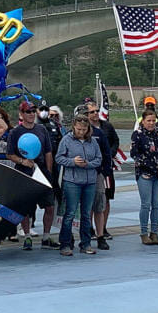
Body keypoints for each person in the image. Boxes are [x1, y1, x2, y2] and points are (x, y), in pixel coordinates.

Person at [8, 101, 55, 249]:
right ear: (21, 114)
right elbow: (10, 154)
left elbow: (48, 152)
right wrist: (22, 161)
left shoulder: (42, 130)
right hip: (24, 172)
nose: (31, 114)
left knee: (49, 206)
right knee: (25, 207)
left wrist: (48, 172)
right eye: (28, 111)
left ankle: (46, 237)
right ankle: (27, 236)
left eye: (33, 111)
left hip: (41, 171)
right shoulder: (15, 132)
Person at [55, 110, 102, 255]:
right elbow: (59, 158)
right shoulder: (67, 140)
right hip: (72, 181)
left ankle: (86, 243)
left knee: (86, 214)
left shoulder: (93, 141)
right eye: (79, 129)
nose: (81, 132)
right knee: (69, 213)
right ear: (74, 127)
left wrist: (88, 164)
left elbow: (99, 159)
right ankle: (65, 244)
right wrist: (72, 162)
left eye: (84, 129)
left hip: (90, 181)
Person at [130, 106, 158, 244]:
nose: (151, 123)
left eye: (153, 120)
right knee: (146, 204)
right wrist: (151, 167)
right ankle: (144, 232)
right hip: (144, 173)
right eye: (148, 120)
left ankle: (154, 232)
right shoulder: (137, 134)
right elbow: (135, 154)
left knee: (157, 204)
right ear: (143, 121)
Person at [86, 102, 120, 249]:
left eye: (97, 111)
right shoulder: (84, 129)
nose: (95, 113)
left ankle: (103, 228)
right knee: (90, 201)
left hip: (105, 170)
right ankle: (90, 228)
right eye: (92, 111)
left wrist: (110, 155)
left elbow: (115, 141)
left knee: (105, 199)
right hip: (90, 171)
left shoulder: (107, 127)